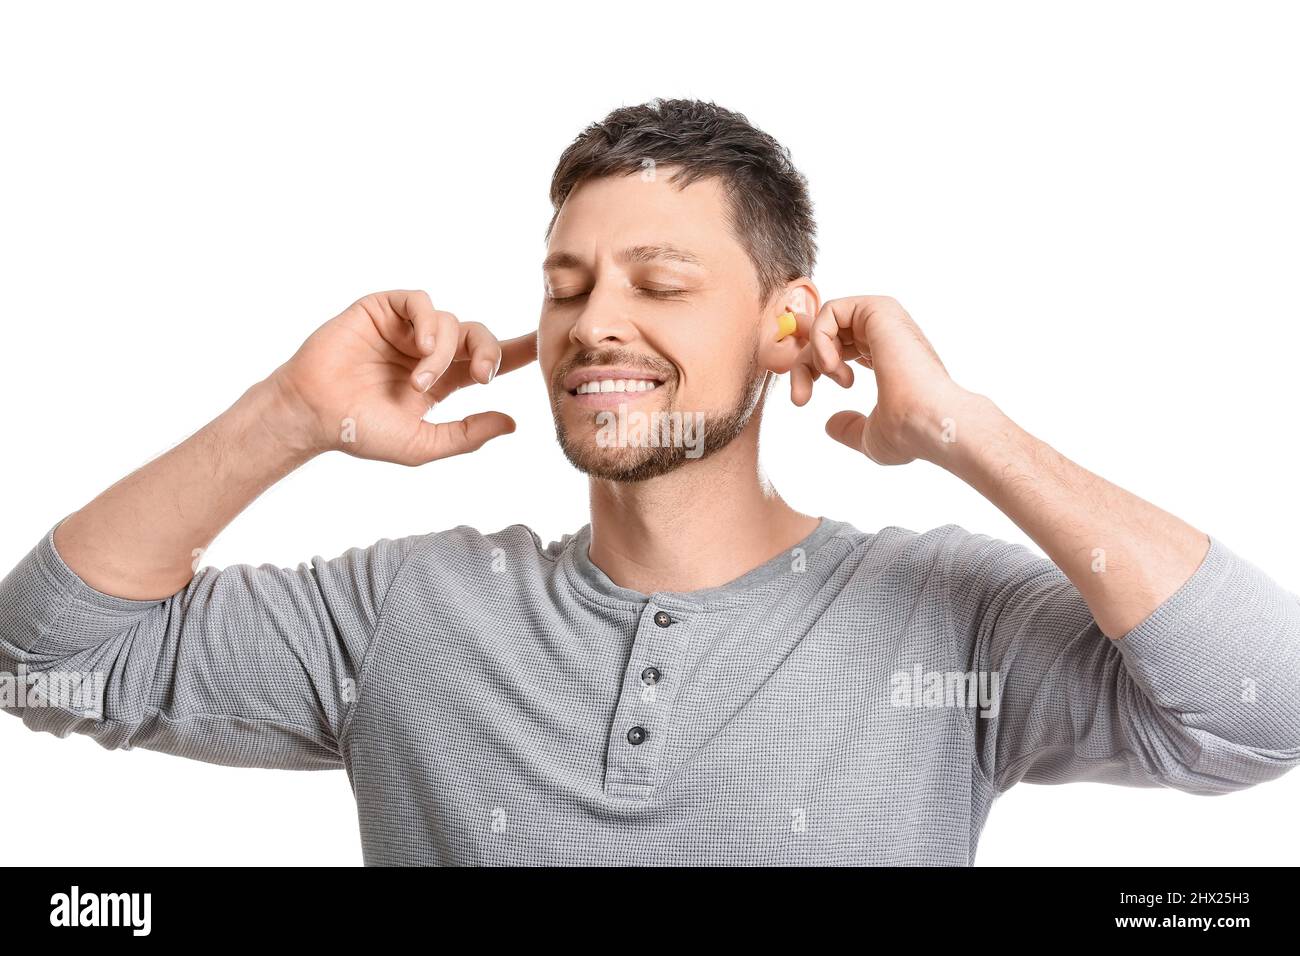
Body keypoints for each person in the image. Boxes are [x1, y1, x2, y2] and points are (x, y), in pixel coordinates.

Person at [3, 98, 1298, 866]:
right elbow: (45, 660)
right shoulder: (408, 609)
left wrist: (966, 429)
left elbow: (1265, 704)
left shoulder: (944, 620)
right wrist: (290, 416)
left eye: (660, 283)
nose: (593, 324)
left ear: (789, 325)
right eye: (566, 287)